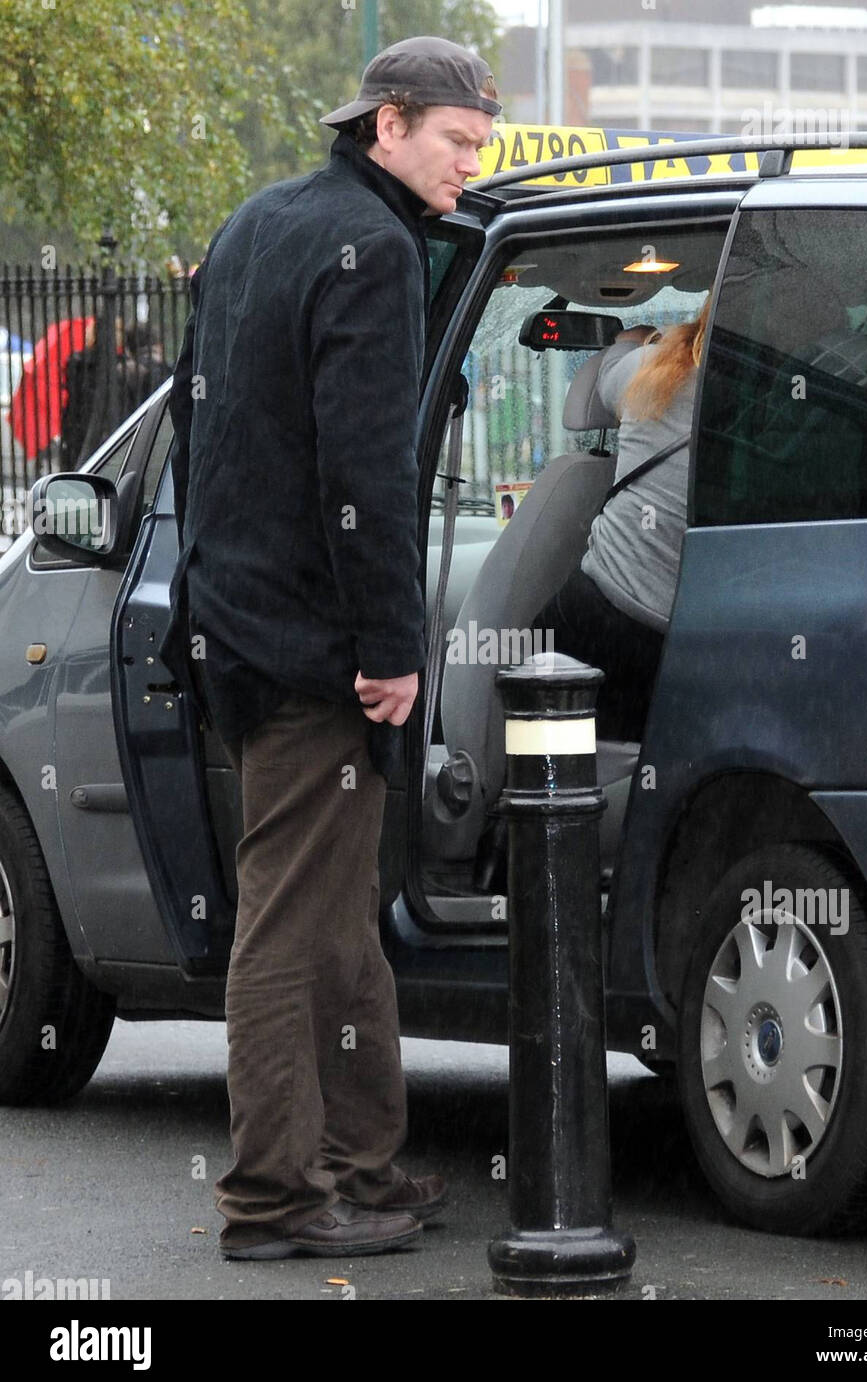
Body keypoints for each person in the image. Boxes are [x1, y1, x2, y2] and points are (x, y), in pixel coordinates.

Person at [163, 36, 500, 1261]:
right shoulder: (378, 252)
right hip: (313, 644)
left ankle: (359, 1159)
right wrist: (389, 647)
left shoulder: (260, 222)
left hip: (240, 625)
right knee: (290, 921)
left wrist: (202, 605)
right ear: (388, 123)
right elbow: (368, 470)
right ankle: (272, 1200)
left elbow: (203, 430)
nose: (470, 166)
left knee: (339, 917)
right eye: (457, 142)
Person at [536, 296, 711, 740]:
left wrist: (636, 340)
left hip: (596, 612)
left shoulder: (652, 369)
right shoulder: (794, 399)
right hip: (692, 646)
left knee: (533, 712)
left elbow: (610, 370)